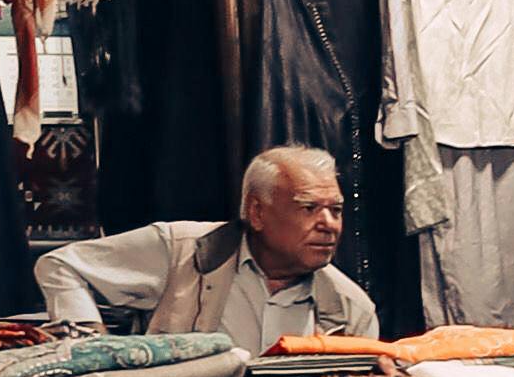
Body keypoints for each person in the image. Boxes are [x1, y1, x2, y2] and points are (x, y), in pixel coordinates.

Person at [47, 145, 378, 349]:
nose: (329, 224)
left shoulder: (349, 310)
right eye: (308, 208)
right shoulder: (181, 251)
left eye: (335, 210)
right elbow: (59, 265)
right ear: (257, 212)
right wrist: (88, 345)